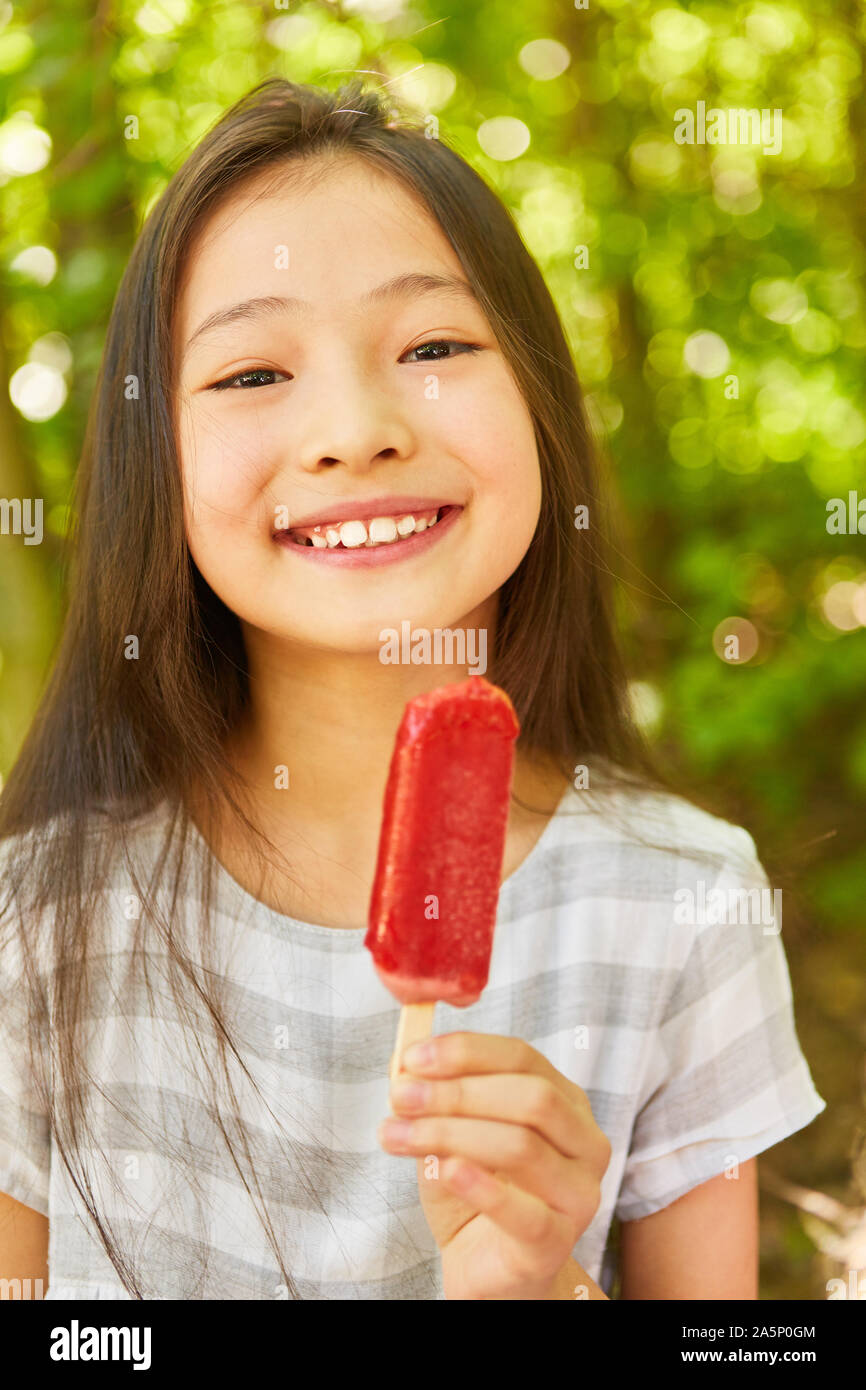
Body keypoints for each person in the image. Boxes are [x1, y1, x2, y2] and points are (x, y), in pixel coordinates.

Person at [0, 77, 824, 1300]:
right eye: (249, 374)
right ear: (151, 463)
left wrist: (546, 1290)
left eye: (435, 346)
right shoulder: (34, 929)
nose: (353, 428)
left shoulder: (679, 903)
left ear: (540, 399)